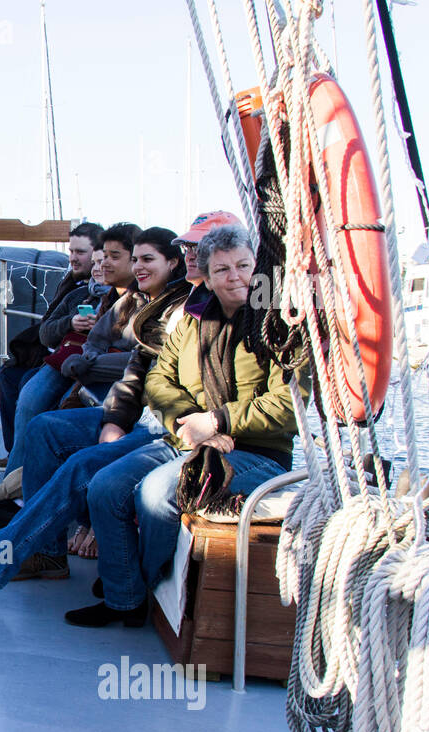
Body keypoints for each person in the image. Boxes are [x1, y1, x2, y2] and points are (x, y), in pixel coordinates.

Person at [0, 228, 193, 597]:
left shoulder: (186, 309)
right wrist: (113, 417)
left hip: (165, 426)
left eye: (148, 260)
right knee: (43, 428)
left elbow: (151, 375)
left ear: (173, 263)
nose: (139, 267)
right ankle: (47, 555)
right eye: (138, 259)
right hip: (134, 413)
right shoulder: (146, 302)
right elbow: (131, 366)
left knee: (80, 465)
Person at [64, 223, 300, 626]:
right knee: (104, 486)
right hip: (188, 436)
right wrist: (189, 423)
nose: (236, 277)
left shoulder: (276, 321)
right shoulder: (192, 318)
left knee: (157, 495)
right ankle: (125, 602)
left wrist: (218, 421)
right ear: (206, 275)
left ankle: (136, 582)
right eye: (223, 269)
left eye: (243, 266)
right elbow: (158, 381)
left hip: (256, 453)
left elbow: (289, 405)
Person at [2, 222, 141, 476]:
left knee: (41, 408)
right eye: (100, 260)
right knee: (22, 388)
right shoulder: (79, 294)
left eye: (110, 258)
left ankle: (19, 482)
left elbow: (135, 352)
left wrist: (89, 360)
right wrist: (71, 323)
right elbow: (46, 331)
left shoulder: (132, 301)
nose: (102, 266)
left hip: (93, 370)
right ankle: (14, 476)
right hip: (69, 359)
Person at [0, 222, 105, 467]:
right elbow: (46, 330)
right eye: (71, 251)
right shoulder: (75, 290)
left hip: (81, 364)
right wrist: (70, 323)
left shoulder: (117, 297)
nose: (73, 258)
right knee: (10, 375)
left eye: (81, 253)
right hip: (57, 355)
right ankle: (16, 455)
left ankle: (22, 464)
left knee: (27, 386)